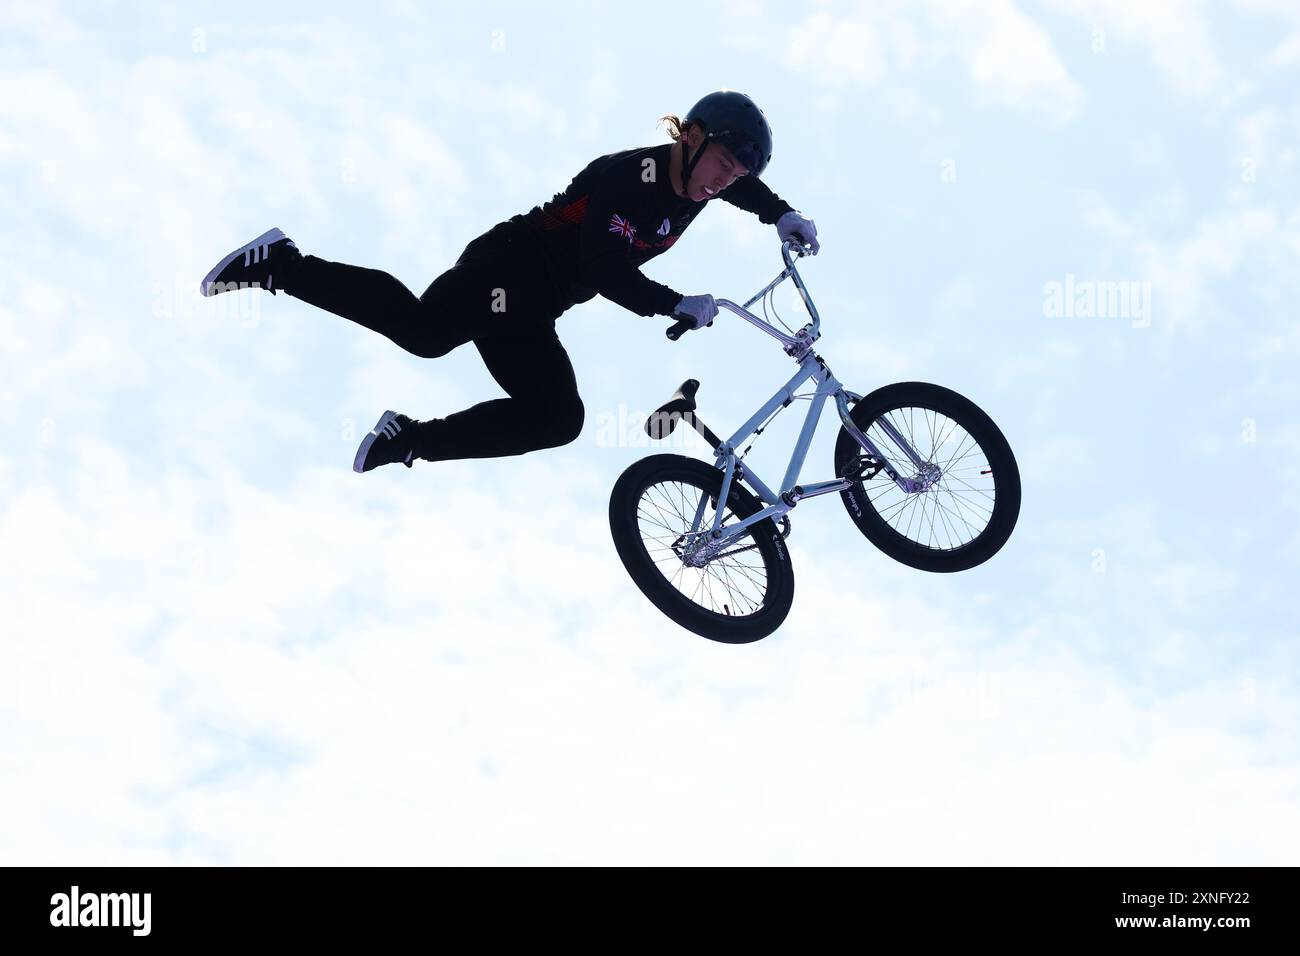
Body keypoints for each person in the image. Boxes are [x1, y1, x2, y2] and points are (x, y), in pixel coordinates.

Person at [199, 90, 820, 473]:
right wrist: (673, 302)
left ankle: (410, 440)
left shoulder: (701, 187)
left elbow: (750, 192)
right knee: (424, 332)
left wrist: (781, 214)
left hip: (534, 307)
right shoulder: (632, 177)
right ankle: (281, 264)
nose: (723, 180)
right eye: (720, 162)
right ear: (690, 137)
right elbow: (606, 269)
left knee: (557, 418)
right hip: (509, 265)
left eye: (735, 173)